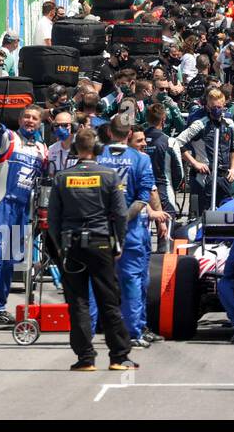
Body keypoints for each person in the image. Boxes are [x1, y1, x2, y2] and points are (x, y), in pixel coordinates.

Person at [47, 127, 136, 371]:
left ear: (76, 150)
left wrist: (60, 246)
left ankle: (85, 358)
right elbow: (119, 214)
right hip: (101, 243)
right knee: (108, 300)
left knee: (78, 302)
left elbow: (53, 219)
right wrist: (119, 241)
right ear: (98, 149)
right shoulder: (109, 176)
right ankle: (118, 356)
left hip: (71, 243)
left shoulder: (62, 177)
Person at [95, 113, 165, 348]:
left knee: (96, 279)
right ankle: (133, 332)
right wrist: (123, 219)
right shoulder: (141, 159)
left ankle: (92, 332)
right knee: (133, 280)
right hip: (131, 229)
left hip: (99, 226)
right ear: (128, 134)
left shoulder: (97, 157)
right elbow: (143, 197)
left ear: (109, 133)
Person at [0, 106, 49, 327]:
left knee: (10, 260)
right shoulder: (9, 138)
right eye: (26, 117)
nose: (30, 121)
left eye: (34, 118)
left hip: (22, 211)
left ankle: (0, 306)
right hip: (0, 206)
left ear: (40, 123)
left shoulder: (41, 148)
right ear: (19, 119)